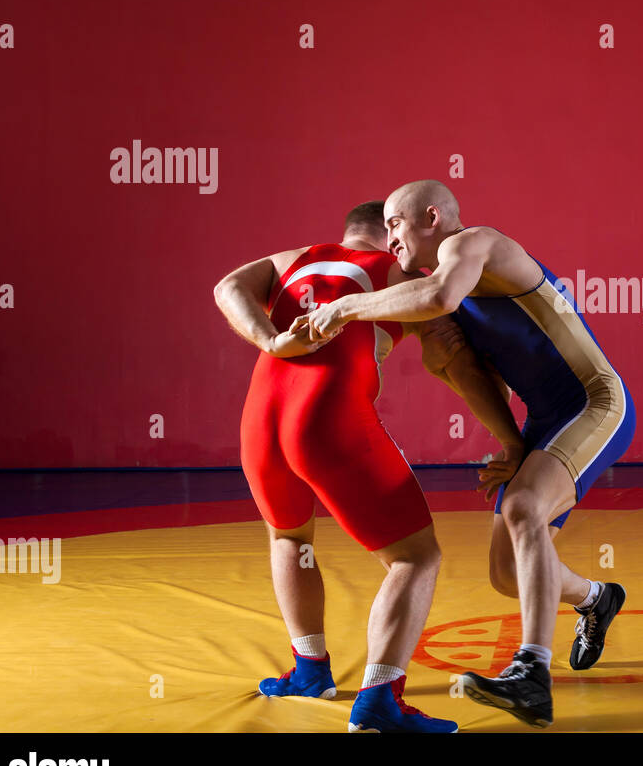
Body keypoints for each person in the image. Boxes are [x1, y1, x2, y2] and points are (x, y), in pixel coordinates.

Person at [305, 180, 635, 728]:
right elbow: (458, 365)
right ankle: (597, 598)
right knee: (508, 573)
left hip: (595, 402)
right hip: (545, 422)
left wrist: (346, 306)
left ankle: (532, 673)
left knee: (523, 508)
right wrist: (512, 441)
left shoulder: (473, 245)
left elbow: (438, 298)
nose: (390, 239)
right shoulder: (437, 284)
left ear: (432, 217)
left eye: (394, 223)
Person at [213, 200, 523, 733]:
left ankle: (309, 670)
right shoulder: (399, 272)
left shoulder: (292, 257)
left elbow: (226, 288)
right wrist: (509, 438)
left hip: (258, 421)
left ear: (346, 230)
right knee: (415, 558)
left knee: (289, 538)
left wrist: (271, 340)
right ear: (389, 231)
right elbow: (450, 354)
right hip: (328, 419)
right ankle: (380, 701)